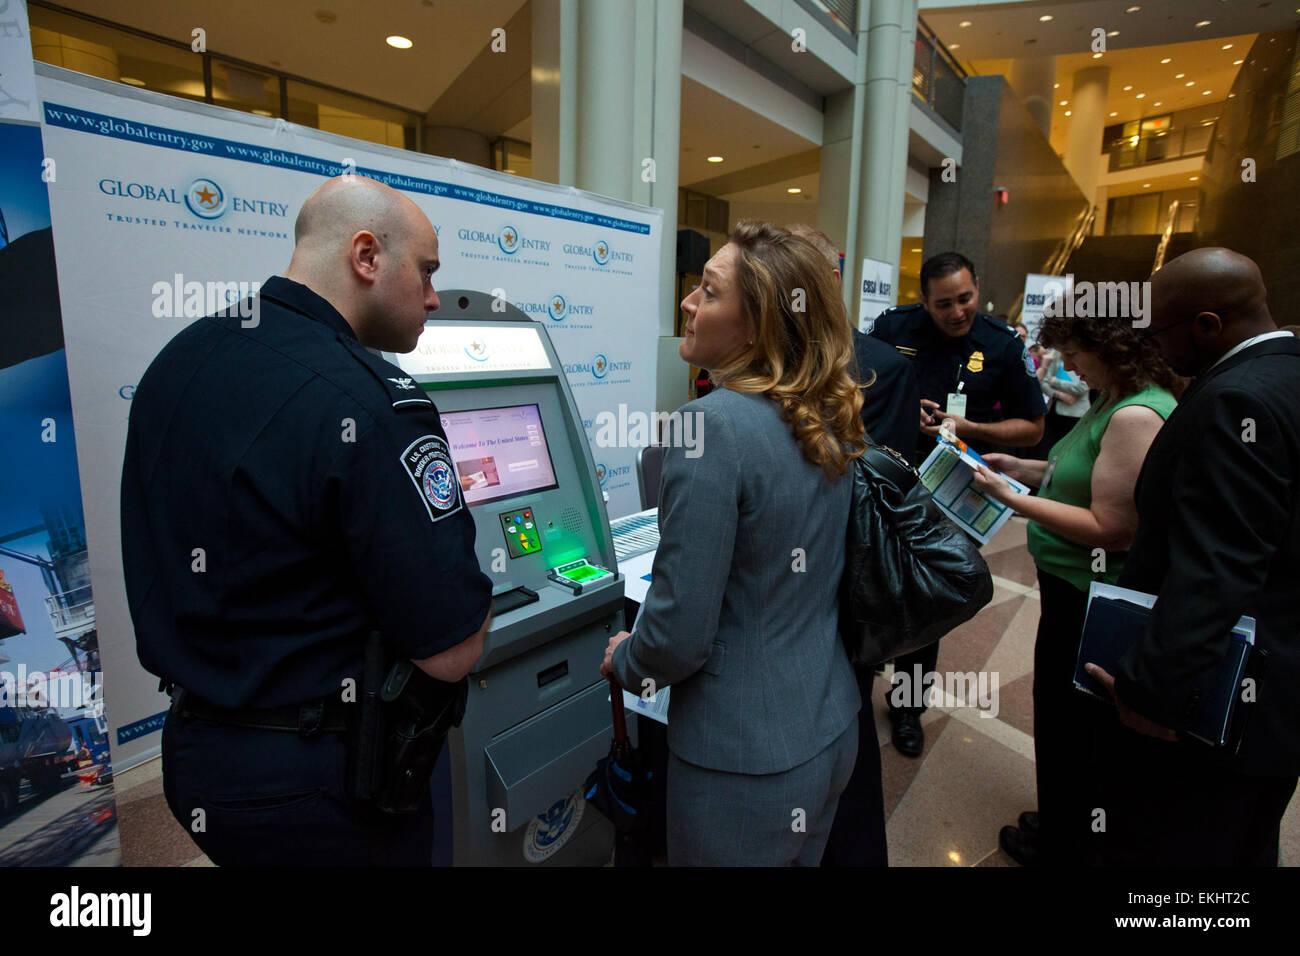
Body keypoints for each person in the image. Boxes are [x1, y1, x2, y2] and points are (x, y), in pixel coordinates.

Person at [121, 176, 493, 866]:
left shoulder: (180, 361)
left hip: (197, 754)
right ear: (366, 255)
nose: (435, 297)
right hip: (321, 786)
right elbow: (452, 649)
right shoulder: (377, 401)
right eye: (427, 271)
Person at [600, 221, 865, 865]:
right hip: (829, 727)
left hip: (741, 764)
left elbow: (679, 637)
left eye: (709, 293)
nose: (688, 303)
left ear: (758, 326)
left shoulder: (710, 427)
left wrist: (627, 658)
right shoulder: (823, 413)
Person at [1083, 248, 1300, 866]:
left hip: (1217, 706)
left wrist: (1149, 691)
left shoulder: (1236, 402)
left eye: (1158, 331)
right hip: (1278, 700)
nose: (1152, 346)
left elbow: (1217, 570)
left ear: (1207, 325)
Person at [969, 313, 1180, 866]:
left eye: (1074, 354)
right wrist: (1023, 468)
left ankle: (1069, 842)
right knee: (1063, 719)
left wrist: (1009, 495)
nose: (1071, 368)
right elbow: (1076, 469)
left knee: (1075, 728)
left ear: (1107, 347)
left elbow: (1111, 527)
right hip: (1071, 590)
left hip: (1090, 597)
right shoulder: (1116, 398)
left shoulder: (1136, 414)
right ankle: (1065, 818)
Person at [867, 252, 1046, 756]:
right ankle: (863, 675)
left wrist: (966, 428)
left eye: (964, 298)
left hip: (954, 495)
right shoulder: (892, 326)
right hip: (887, 482)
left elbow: (1032, 427)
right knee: (872, 580)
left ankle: (907, 709)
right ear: (924, 300)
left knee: (927, 602)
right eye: (942, 303)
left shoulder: (1003, 344)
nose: (956, 311)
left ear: (978, 289)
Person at [787, 224, 902, 867]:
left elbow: (879, 491)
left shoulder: (878, 366)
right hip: (771, 599)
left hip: (841, 593)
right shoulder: (748, 366)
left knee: (846, 734)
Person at [788, 225, 919, 453]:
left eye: (792, 284)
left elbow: (886, 478)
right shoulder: (761, 358)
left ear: (831, 281)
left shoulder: (886, 370)